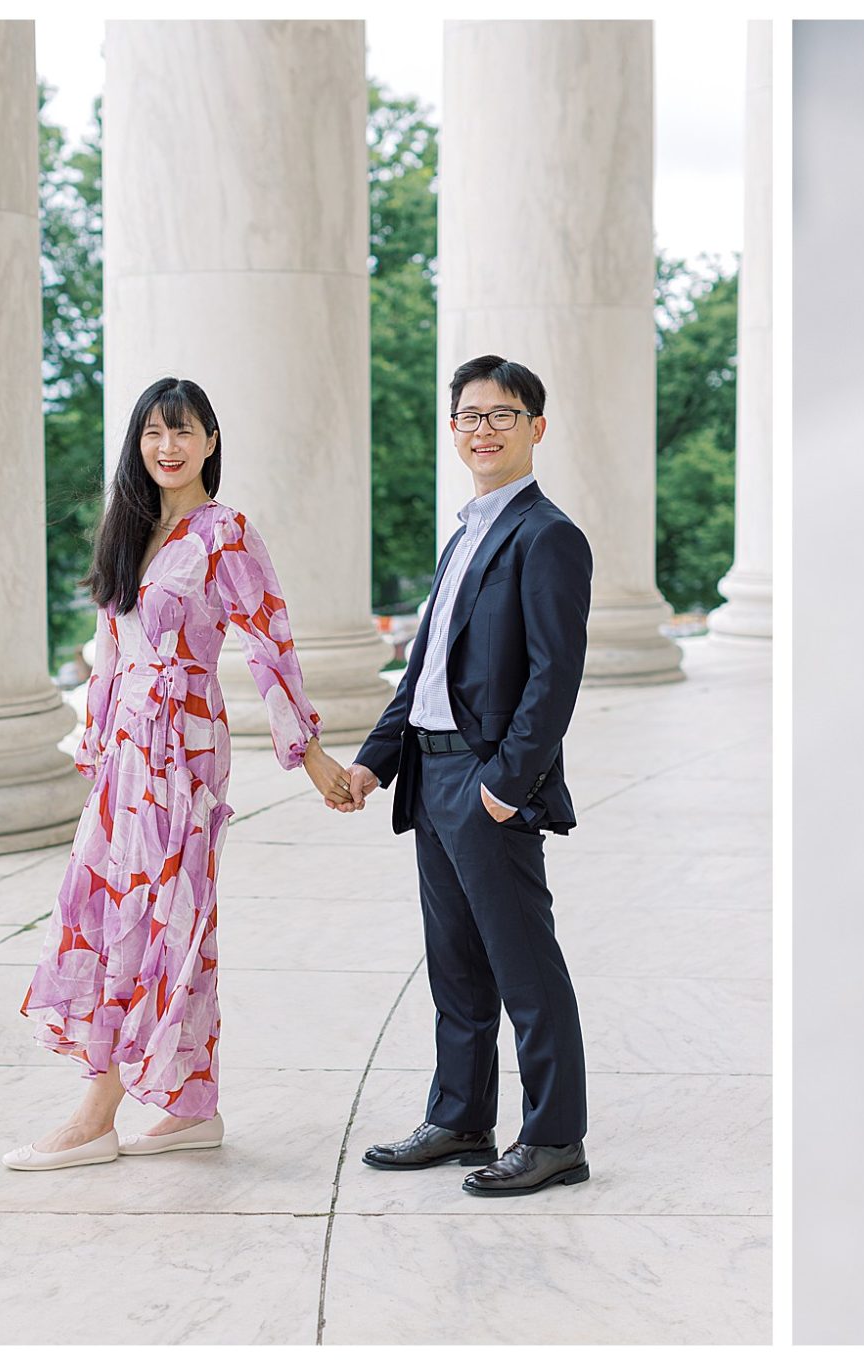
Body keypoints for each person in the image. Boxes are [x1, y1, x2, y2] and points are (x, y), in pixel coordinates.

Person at [6, 376, 354, 1170]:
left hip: (184, 755)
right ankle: (192, 1103)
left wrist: (310, 754)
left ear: (211, 441)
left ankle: (95, 1114)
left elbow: (272, 643)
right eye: (154, 433)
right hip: (122, 757)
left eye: (185, 431)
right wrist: (94, 755)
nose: (169, 447)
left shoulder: (225, 532)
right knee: (122, 916)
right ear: (138, 444)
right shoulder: (128, 532)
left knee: (156, 921)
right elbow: (109, 656)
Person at [334, 354, 594, 1198]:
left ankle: (555, 1137)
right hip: (429, 777)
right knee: (455, 966)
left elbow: (555, 676)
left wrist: (506, 783)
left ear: (536, 429)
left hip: (486, 783)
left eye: (502, 415)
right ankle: (460, 1118)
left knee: (525, 966)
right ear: (454, 430)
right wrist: (374, 762)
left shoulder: (548, 535)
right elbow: (422, 677)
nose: (484, 429)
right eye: (470, 416)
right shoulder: (462, 537)